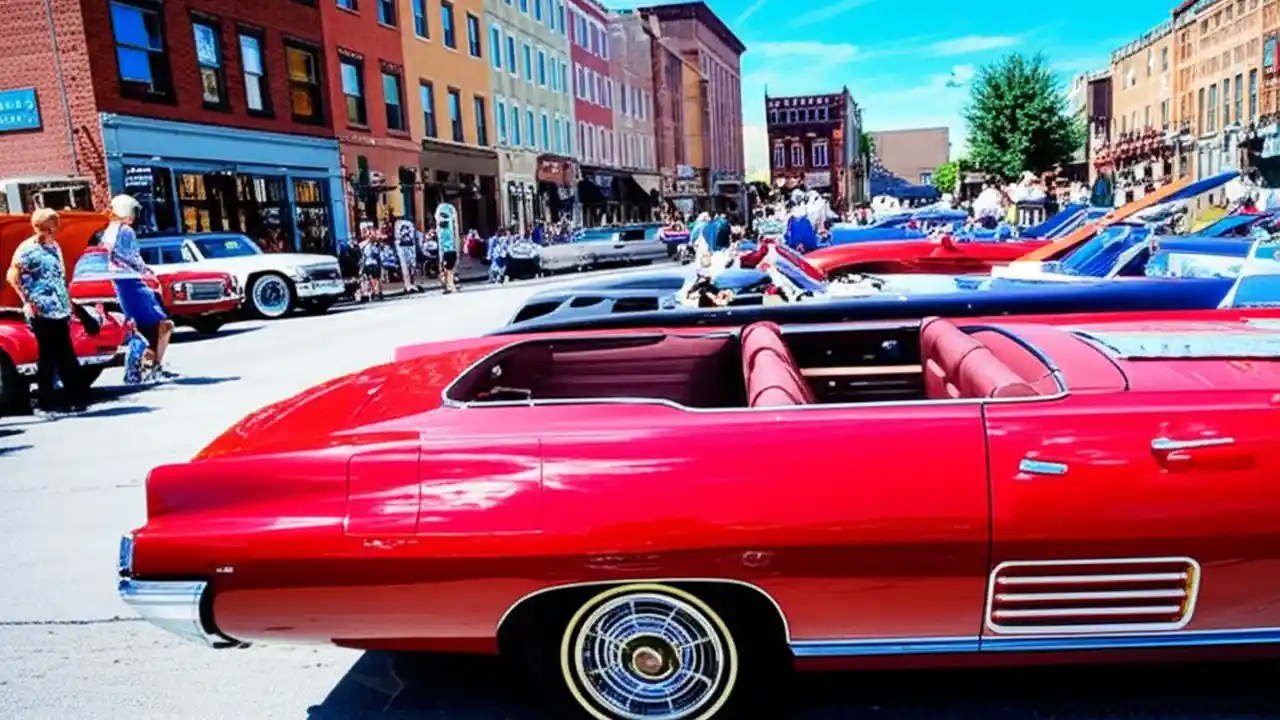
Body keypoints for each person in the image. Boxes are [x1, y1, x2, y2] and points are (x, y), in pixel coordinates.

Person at [5, 208, 89, 416]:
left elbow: (59, 278)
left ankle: (75, 398)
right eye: (50, 228)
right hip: (41, 309)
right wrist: (28, 299)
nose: (54, 231)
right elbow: (12, 276)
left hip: (59, 309)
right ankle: (46, 401)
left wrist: (69, 304)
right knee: (48, 356)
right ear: (38, 228)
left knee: (66, 355)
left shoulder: (54, 247)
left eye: (54, 227)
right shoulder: (27, 250)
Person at [102, 194, 176, 380]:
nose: (135, 215)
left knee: (143, 327)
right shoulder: (126, 230)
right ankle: (149, 368)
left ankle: (141, 369)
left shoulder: (110, 230)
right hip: (131, 281)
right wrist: (149, 273)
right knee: (161, 325)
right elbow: (133, 257)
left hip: (122, 281)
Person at [435, 202, 460, 293]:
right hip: (450, 249)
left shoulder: (443, 230)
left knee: (448, 270)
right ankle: (450, 285)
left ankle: (450, 285)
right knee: (448, 270)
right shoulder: (448, 228)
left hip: (447, 250)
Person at [393, 215, 420, 292]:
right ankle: (407, 284)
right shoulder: (398, 223)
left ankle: (412, 283)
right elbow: (397, 237)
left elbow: (414, 236)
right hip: (402, 247)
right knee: (405, 266)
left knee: (413, 266)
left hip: (411, 246)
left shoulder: (410, 223)